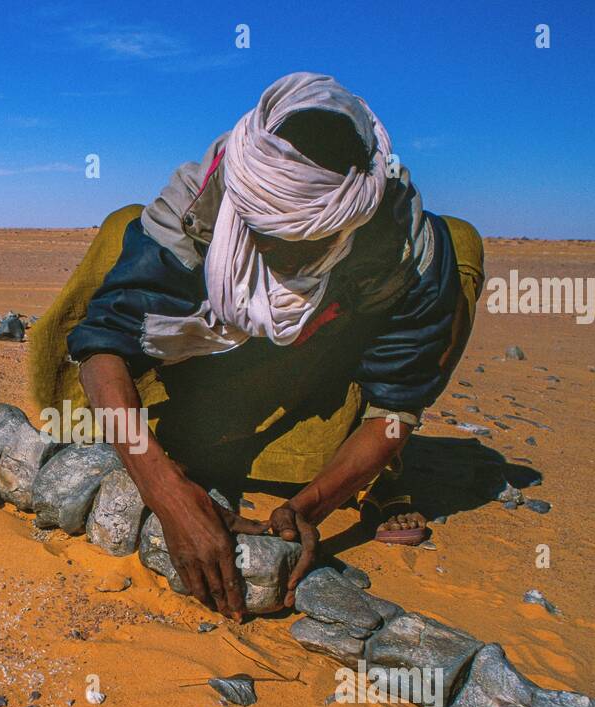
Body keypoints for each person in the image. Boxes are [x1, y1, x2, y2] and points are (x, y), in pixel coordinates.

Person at [28, 72, 485, 620]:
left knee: (458, 240)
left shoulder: (403, 248)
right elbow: (105, 341)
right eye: (256, 229)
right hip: (189, 383)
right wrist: (167, 491)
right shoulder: (205, 198)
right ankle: (180, 448)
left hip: (306, 400)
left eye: (296, 239)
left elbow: (395, 404)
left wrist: (309, 506)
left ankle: (370, 477)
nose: (269, 251)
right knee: (124, 227)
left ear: (346, 219)